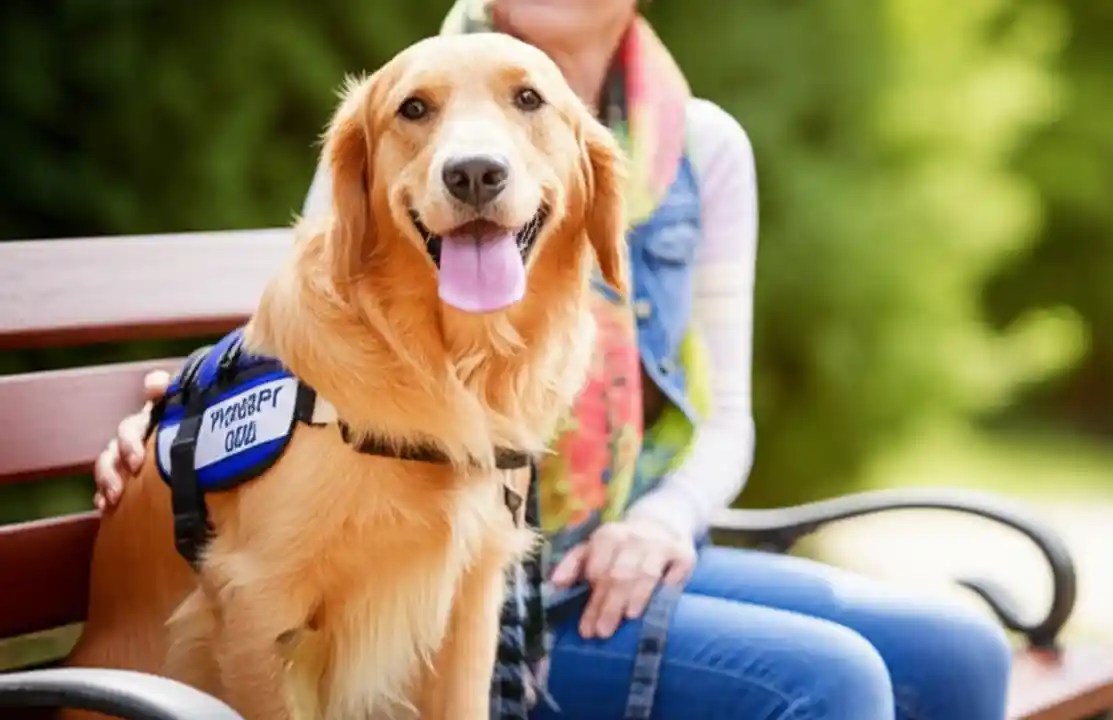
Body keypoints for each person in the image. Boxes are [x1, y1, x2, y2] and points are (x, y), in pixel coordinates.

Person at [92, 1, 1013, 718]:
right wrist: (173, 420)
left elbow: (725, 413)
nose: (474, 156)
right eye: (425, 116)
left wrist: (659, 525)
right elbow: (304, 335)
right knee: (836, 683)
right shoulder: (394, 115)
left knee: (962, 650)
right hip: (499, 593)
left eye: (527, 105)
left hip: (625, 537)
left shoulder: (704, 147)